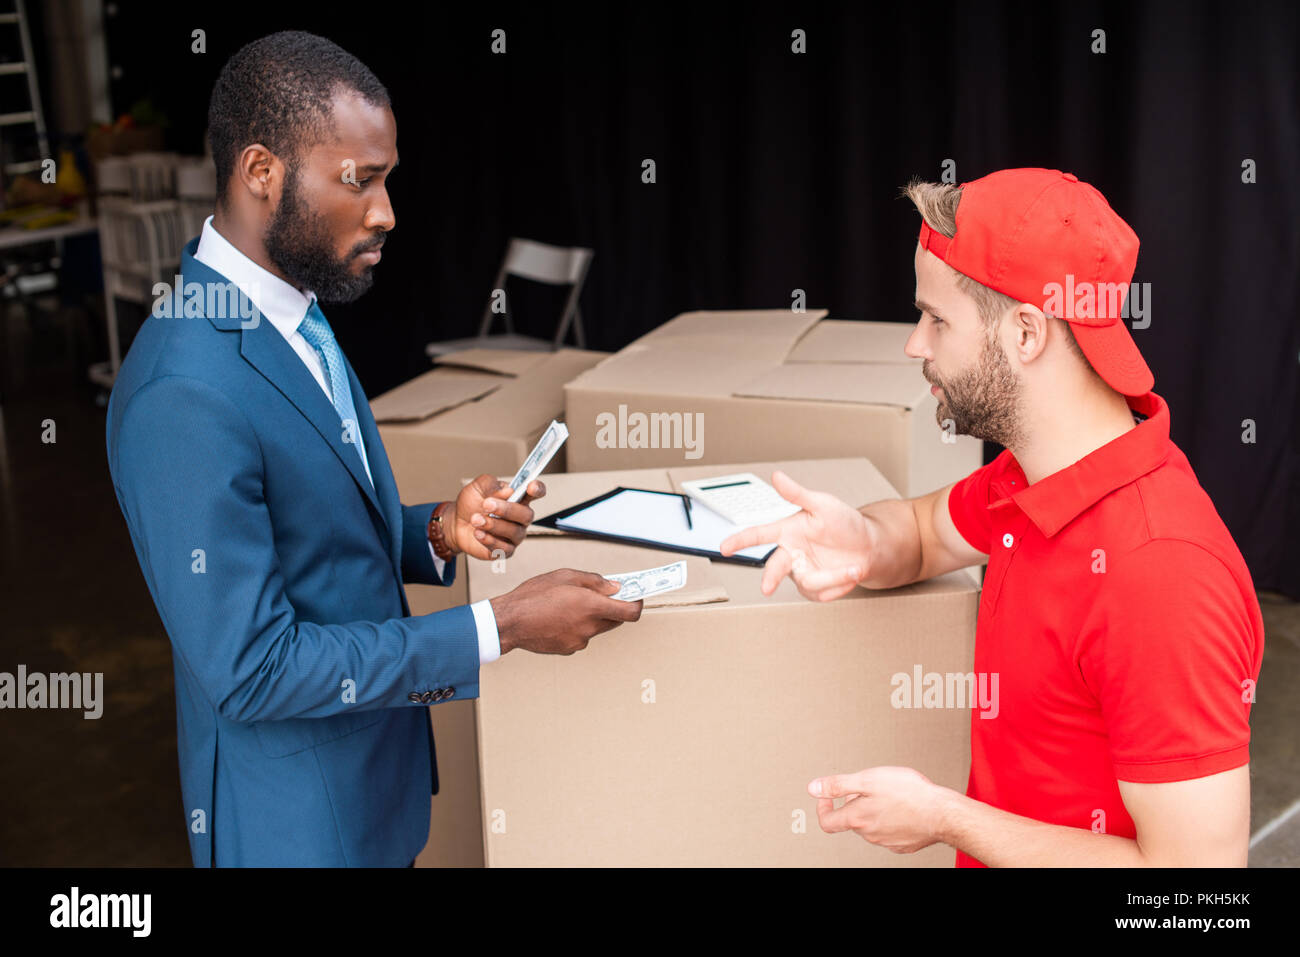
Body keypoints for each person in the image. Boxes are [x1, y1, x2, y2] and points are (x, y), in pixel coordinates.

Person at [105, 31, 641, 867]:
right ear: (261, 173)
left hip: (370, 791)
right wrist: (498, 626)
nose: (386, 210)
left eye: (386, 177)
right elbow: (253, 668)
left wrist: (433, 531)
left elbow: (305, 529)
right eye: (360, 180)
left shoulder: (295, 312)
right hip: (295, 829)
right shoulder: (183, 392)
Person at [722, 168, 1264, 866]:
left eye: (937, 318)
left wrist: (947, 816)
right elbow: (921, 535)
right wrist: (858, 538)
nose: (915, 345)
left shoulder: (1162, 576)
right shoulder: (1034, 475)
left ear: (1027, 333)